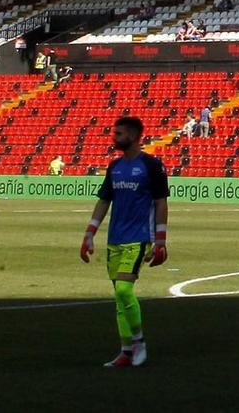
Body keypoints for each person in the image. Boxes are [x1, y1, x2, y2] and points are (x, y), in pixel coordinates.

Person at [80, 114, 168, 369]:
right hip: (115, 239)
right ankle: (125, 351)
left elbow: (161, 202)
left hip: (138, 238)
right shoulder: (114, 167)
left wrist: (160, 240)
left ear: (133, 135)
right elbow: (104, 201)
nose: (114, 138)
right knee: (119, 300)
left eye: (119, 134)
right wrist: (89, 233)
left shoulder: (152, 165)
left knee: (123, 290)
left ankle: (138, 342)